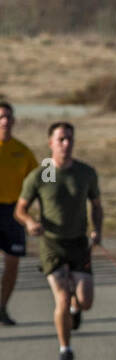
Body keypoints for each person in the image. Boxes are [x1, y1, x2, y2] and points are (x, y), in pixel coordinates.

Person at [15, 122, 101, 360]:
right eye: (61, 139)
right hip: (51, 244)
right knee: (62, 297)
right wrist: (30, 222)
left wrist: (97, 230)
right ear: (50, 142)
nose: (66, 144)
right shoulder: (42, 174)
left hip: (78, 243)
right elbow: (20, 209)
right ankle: (66, 350)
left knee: (85, 300)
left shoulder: (85, 173)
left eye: (69, 139)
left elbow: (96, 205)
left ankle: (76, 309)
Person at [0, 101, 38, 326]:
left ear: (14, 121)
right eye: (1, 116)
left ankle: (2, 307)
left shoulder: (23, 152)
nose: (5, 121)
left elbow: (42, 179)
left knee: (12, 263)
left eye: (8, 117)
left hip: (13, 212)